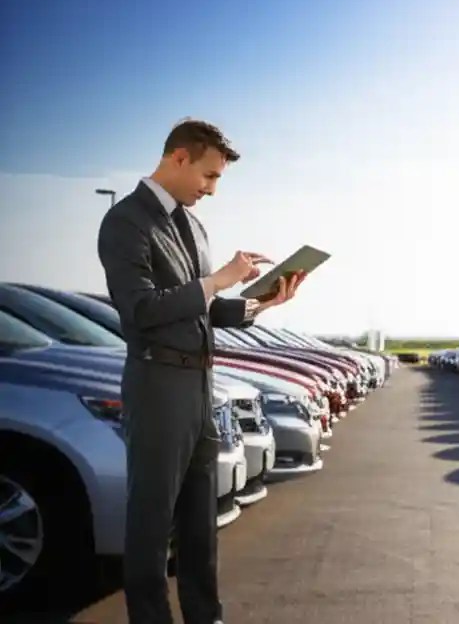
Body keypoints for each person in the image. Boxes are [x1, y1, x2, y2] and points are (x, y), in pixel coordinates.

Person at [97, 118, 305, 624]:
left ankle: (204, 616)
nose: (211, 190)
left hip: (199, 387)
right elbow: (141, 310)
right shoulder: (125, 220)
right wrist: (220, 277)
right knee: (150, 523)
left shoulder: (192, 225)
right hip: (156, 384)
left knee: (200, 524)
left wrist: (260, 305)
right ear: (179, 158)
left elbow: (202, 309)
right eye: (208, 177)